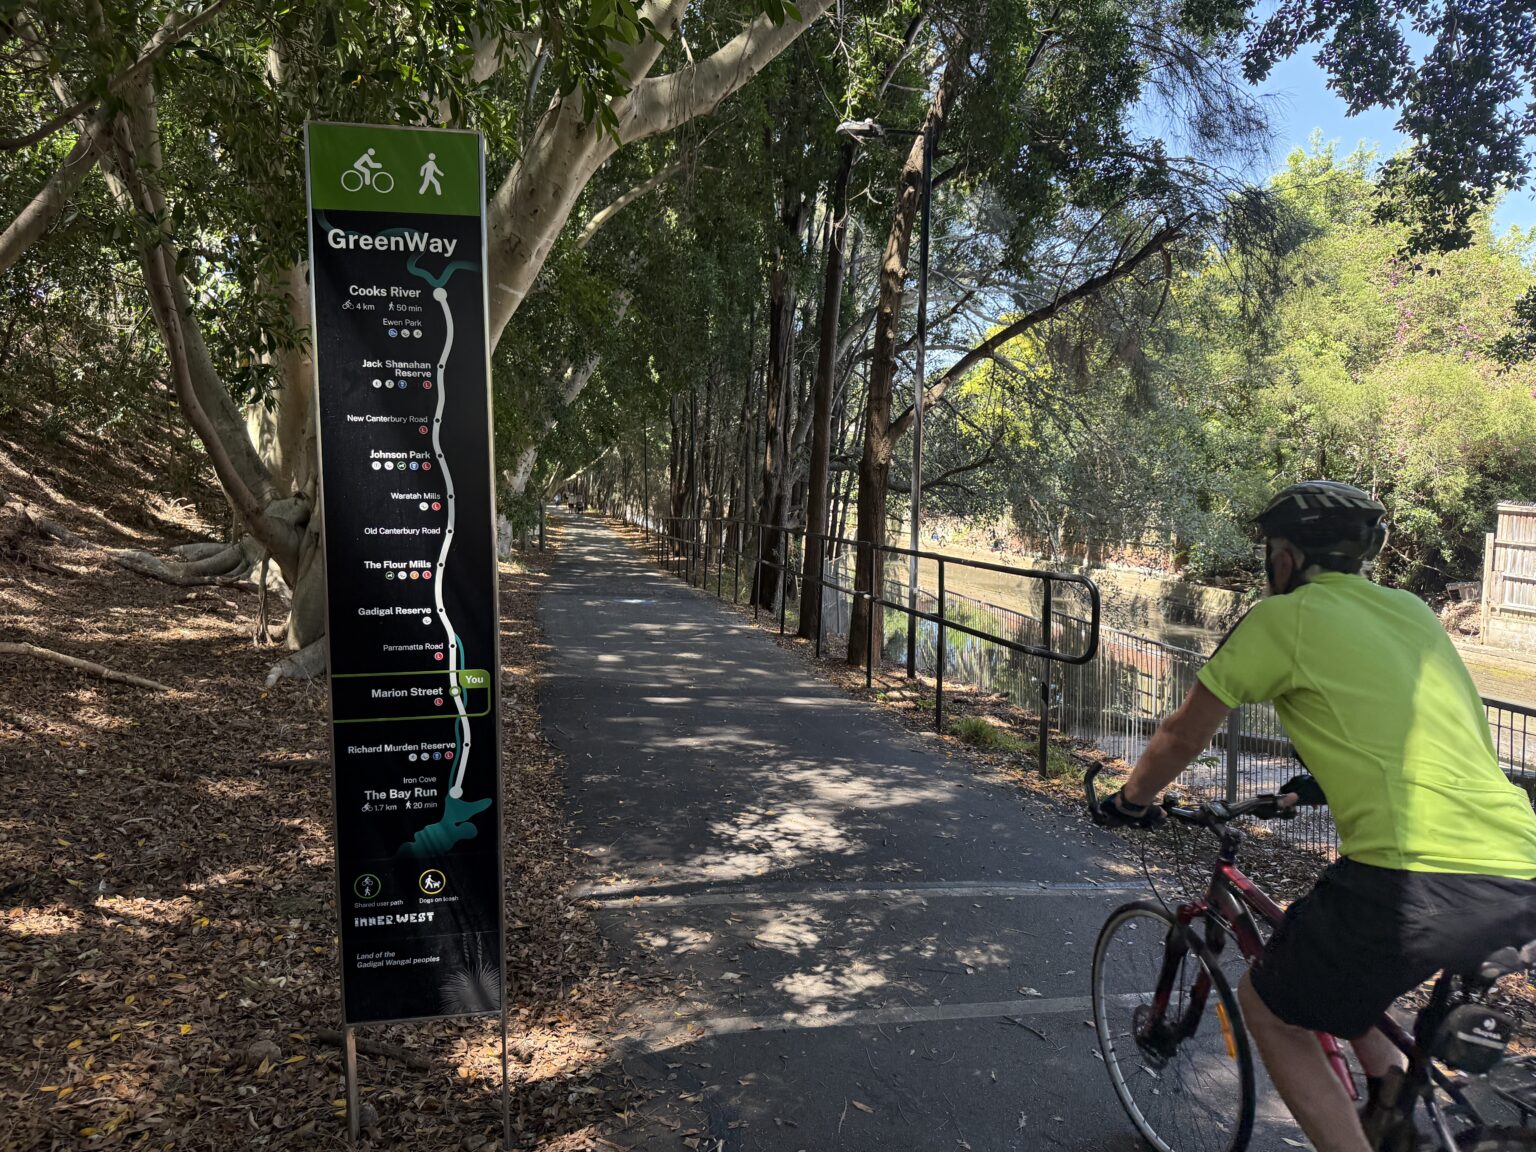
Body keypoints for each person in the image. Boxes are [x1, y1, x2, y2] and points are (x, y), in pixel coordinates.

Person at [1097, 480, 1536, 1152]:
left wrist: (1129, 800)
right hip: (1517, 865)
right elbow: (1423, 732)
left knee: (1269, 1009)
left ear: (1286, 557)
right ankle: (1394, 1113)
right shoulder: (1411, 612)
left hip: (1410, 877)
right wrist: (1320, 783)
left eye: (1271, 552)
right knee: (1342, 974)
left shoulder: (1282, 619)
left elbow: (1183, 734)